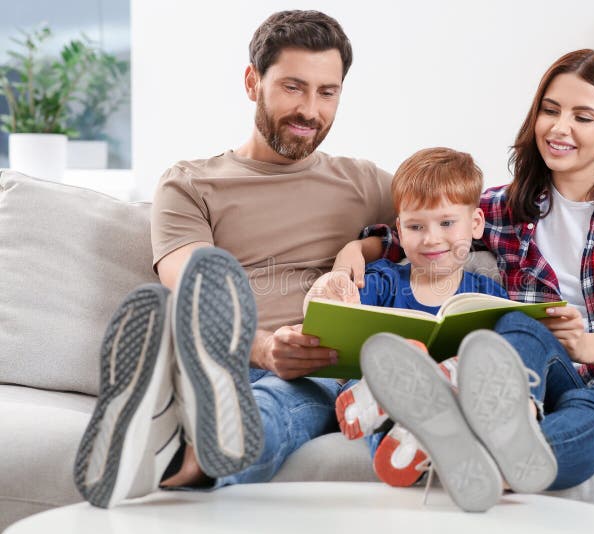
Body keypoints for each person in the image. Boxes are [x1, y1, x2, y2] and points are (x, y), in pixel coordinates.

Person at [338, 49, 594, 512]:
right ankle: (461, 407)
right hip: (559, 383)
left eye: (583, 116)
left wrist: (585, 345)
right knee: (519, 326)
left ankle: (470, 456)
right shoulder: (506, 209)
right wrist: (353, 252)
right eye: (550, 110)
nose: (559, 128)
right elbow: (416, 234)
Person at [73, 10, 396, 507]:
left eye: (327, 93)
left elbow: (457, 219)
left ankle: (176, 456)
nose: (310, 110)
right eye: (293, 86)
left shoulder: (368, 184)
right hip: (228, 355)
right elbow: (194, 291)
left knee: (285, 399)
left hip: (317, 369)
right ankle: (174, 400)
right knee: (253, 377)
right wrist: (264, 347)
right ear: (252, 82)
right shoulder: (190, 184)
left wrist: (362, 246)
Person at [303, 147, 507, 489]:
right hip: (377, 379)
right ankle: (395, 440)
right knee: (365, 382)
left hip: (454, 387)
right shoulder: (382, 280)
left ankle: (424, 427)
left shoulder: (488, 295)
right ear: (399, 229)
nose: (431, 238)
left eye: (446, 222)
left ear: (474, 224)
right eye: (416, 226)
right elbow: (338, 314)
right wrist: (328, 291)